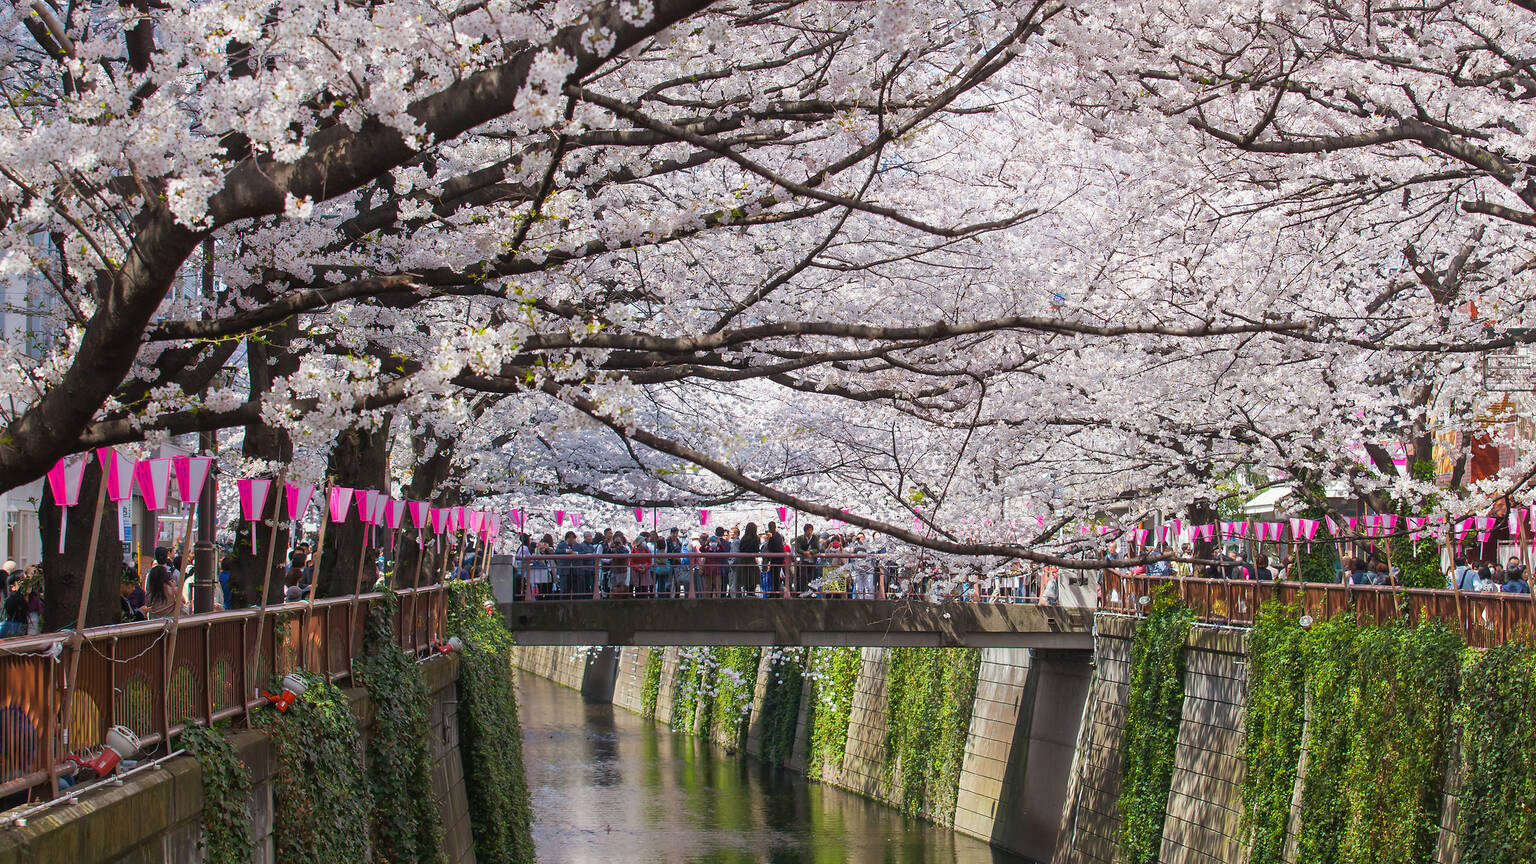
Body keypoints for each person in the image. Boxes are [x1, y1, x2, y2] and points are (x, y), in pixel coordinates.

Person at [737, 523, 762, 597]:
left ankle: (747, 592)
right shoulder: (755, 539)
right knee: (752, 577)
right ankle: (751, 592)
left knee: (746, 577)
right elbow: (756, 550)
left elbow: (741, 549)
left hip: (744, 560)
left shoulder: (743, 538)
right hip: (751, 560)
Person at [793, 524, 819, 595]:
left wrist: (811, 552)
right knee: (803, 577)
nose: (809, 532)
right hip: (804, 560)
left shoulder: (815, 538)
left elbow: (817, 549)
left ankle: (811, 593)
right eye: (808, 530)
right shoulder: (800, 538)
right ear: (805, 531)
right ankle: (804, 592)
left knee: (812, 577)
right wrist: (804, 552)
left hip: (812, 561)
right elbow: (797, 549)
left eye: (811, 530)